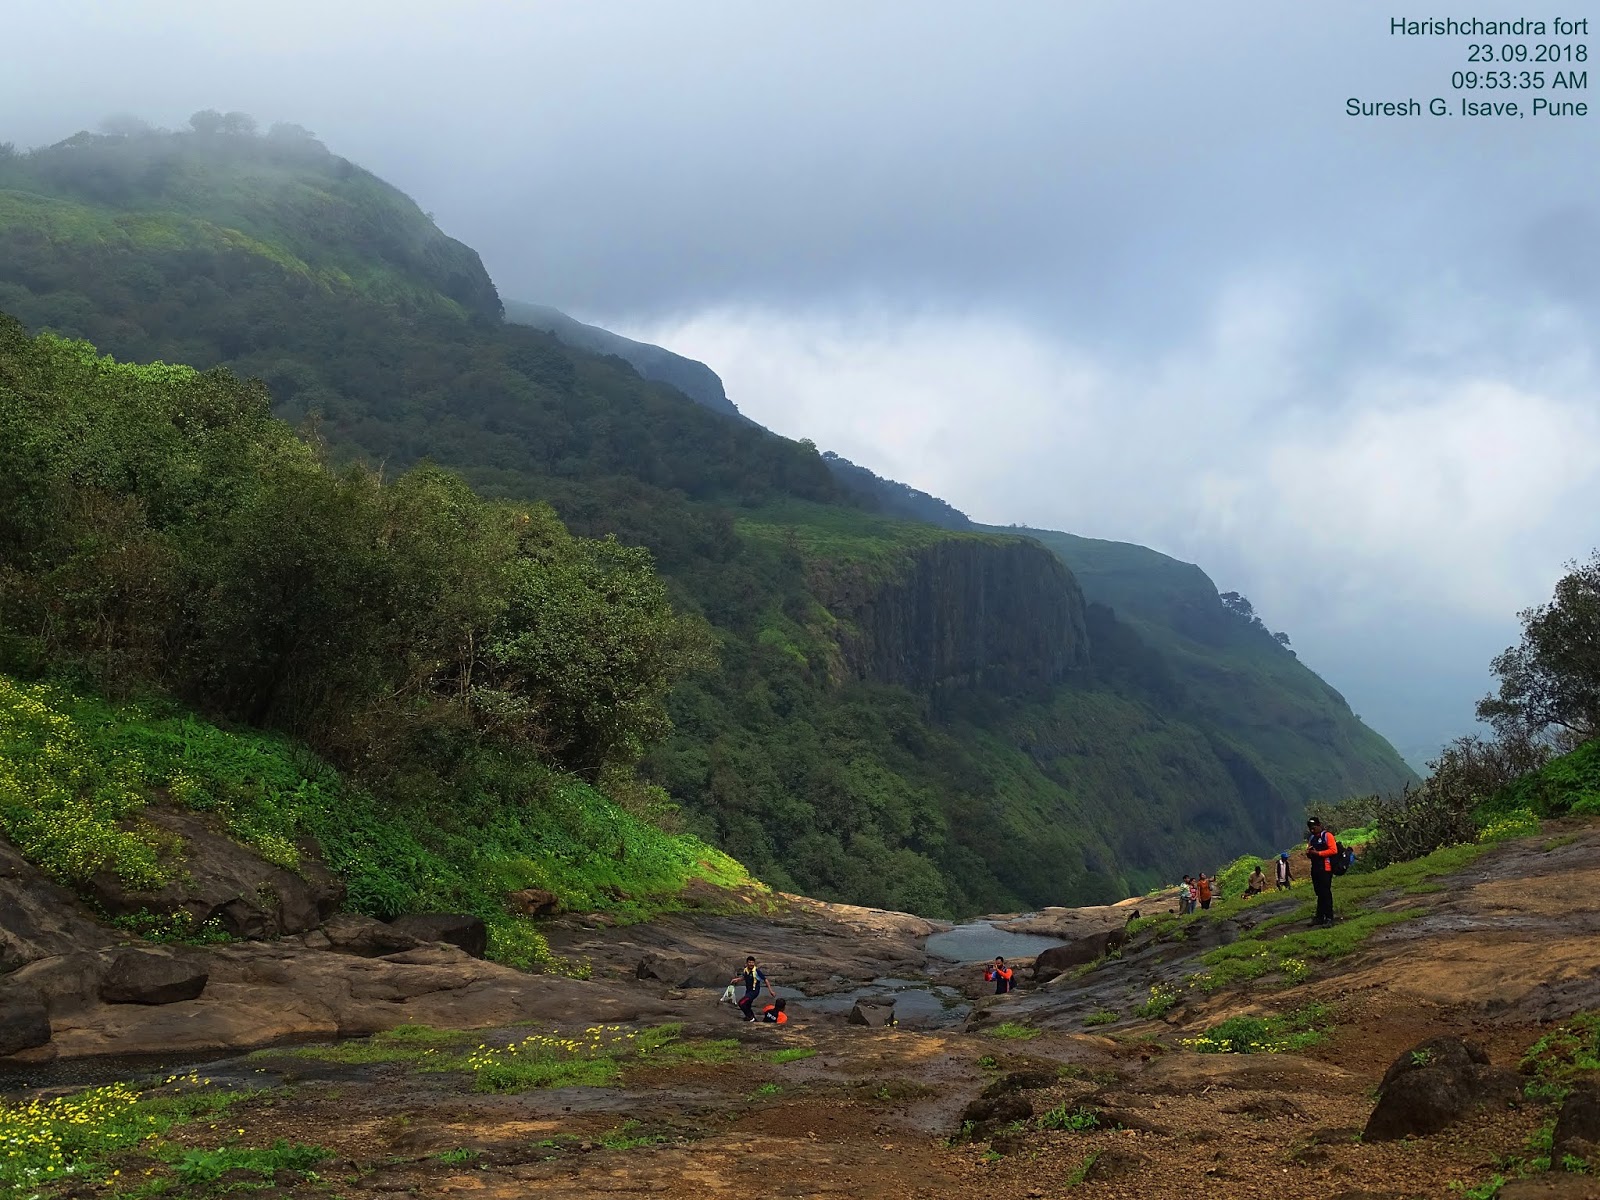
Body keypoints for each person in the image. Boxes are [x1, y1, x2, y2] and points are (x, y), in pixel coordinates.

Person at [1305, 817, 1339, 927]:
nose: (1312, 830)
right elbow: (1309, 851)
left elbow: (1333, 850)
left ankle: (1329, 918)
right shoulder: (1312, 838)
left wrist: (1318, 853)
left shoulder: (1327, 836)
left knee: (1326, 893)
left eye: (1314, 828)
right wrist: (1309, 853)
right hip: (1315, 868)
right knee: (1319, 893)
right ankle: (1319, 917)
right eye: (1310, 828)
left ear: (1319, 825)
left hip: (1325, 868)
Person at [730, 954, 775, 1021]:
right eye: (749, 962)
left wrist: (771, 991)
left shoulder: (756, 971)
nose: (751, 964)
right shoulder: (746, 970)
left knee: (741, 1003)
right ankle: (753, 1018)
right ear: (747, 963)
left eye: (752, 962)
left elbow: (765, 980)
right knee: (747, 1005)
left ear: (754, 963)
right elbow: (745, 977)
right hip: (748, 991)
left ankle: (750, 1017)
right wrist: (737, 979)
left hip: (754, 991)